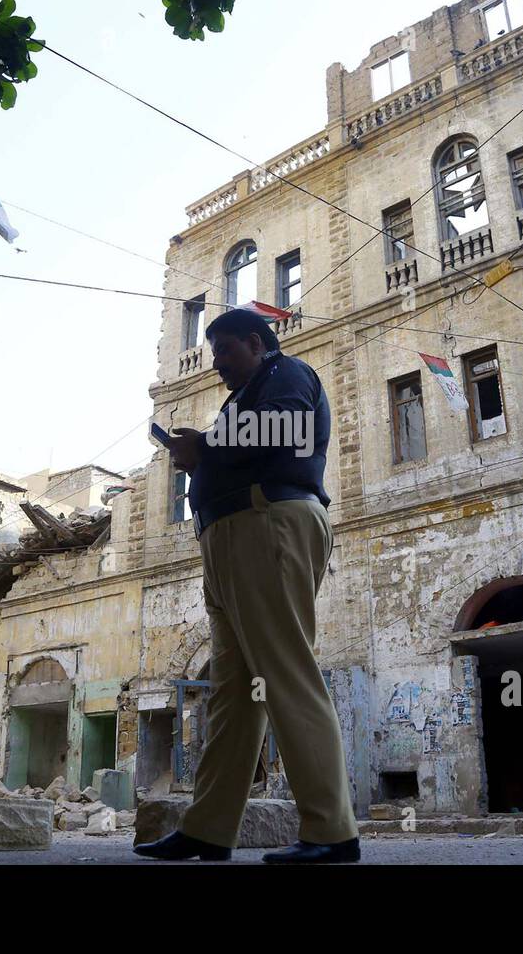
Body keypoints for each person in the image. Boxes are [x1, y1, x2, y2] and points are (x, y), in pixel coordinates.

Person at [134, 306, 360, 864]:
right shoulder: (247, 393)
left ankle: (332, 832)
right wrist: (204, 448)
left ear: (258, 344)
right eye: (213, 355)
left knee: (285, 673)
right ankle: (208, 828)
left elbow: (280, 437)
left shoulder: (287, 375)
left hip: (267, 525)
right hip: (232, 537)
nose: (218, 364)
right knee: (237, 692)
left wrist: (203, 449)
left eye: (226, 351)